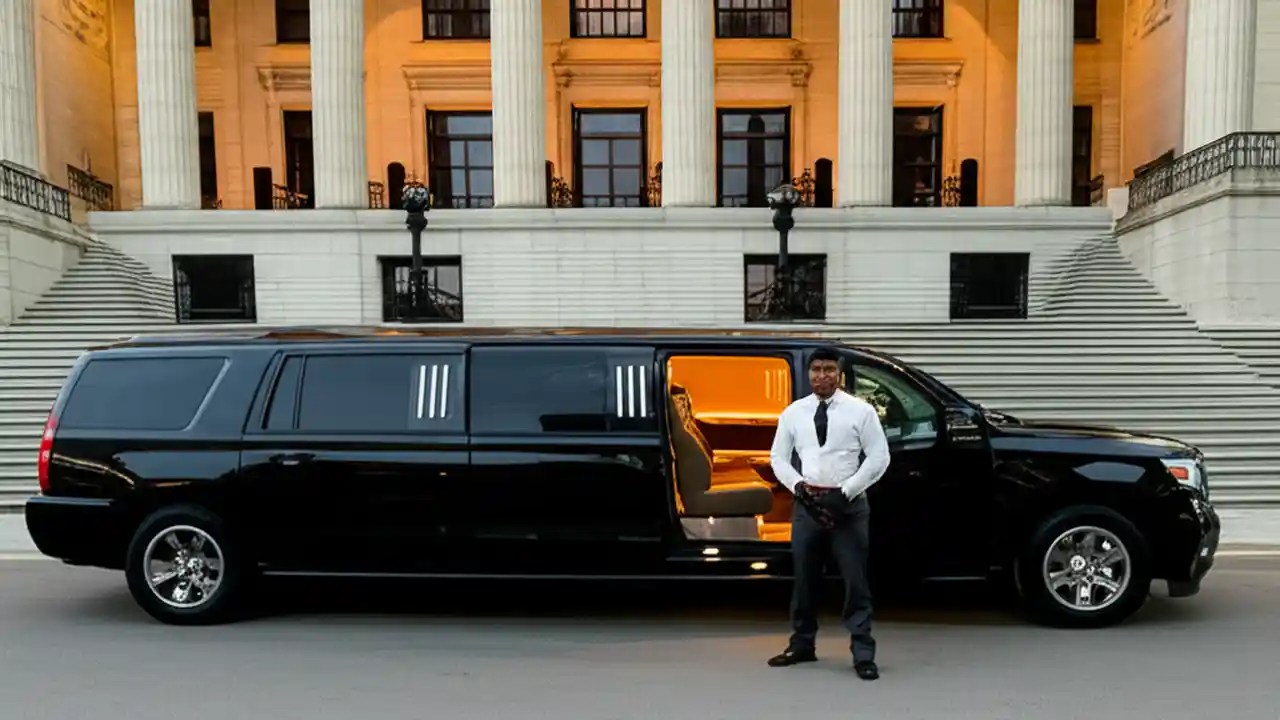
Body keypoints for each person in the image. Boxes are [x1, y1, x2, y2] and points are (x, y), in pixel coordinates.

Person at [766, 347, 891, 680]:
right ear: (808, 374)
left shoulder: (860, 412)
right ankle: (802, 644)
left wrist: (847, 492)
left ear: (840, 374)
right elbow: (778, 457)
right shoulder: (793, 413)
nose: (822, 375)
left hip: (848, 507)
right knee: (805, 580)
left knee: (855, 582)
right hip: (808, 504)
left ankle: (863, 652)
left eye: (829, 369)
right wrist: (797, 486)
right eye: (816, 369)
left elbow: (879, 457)